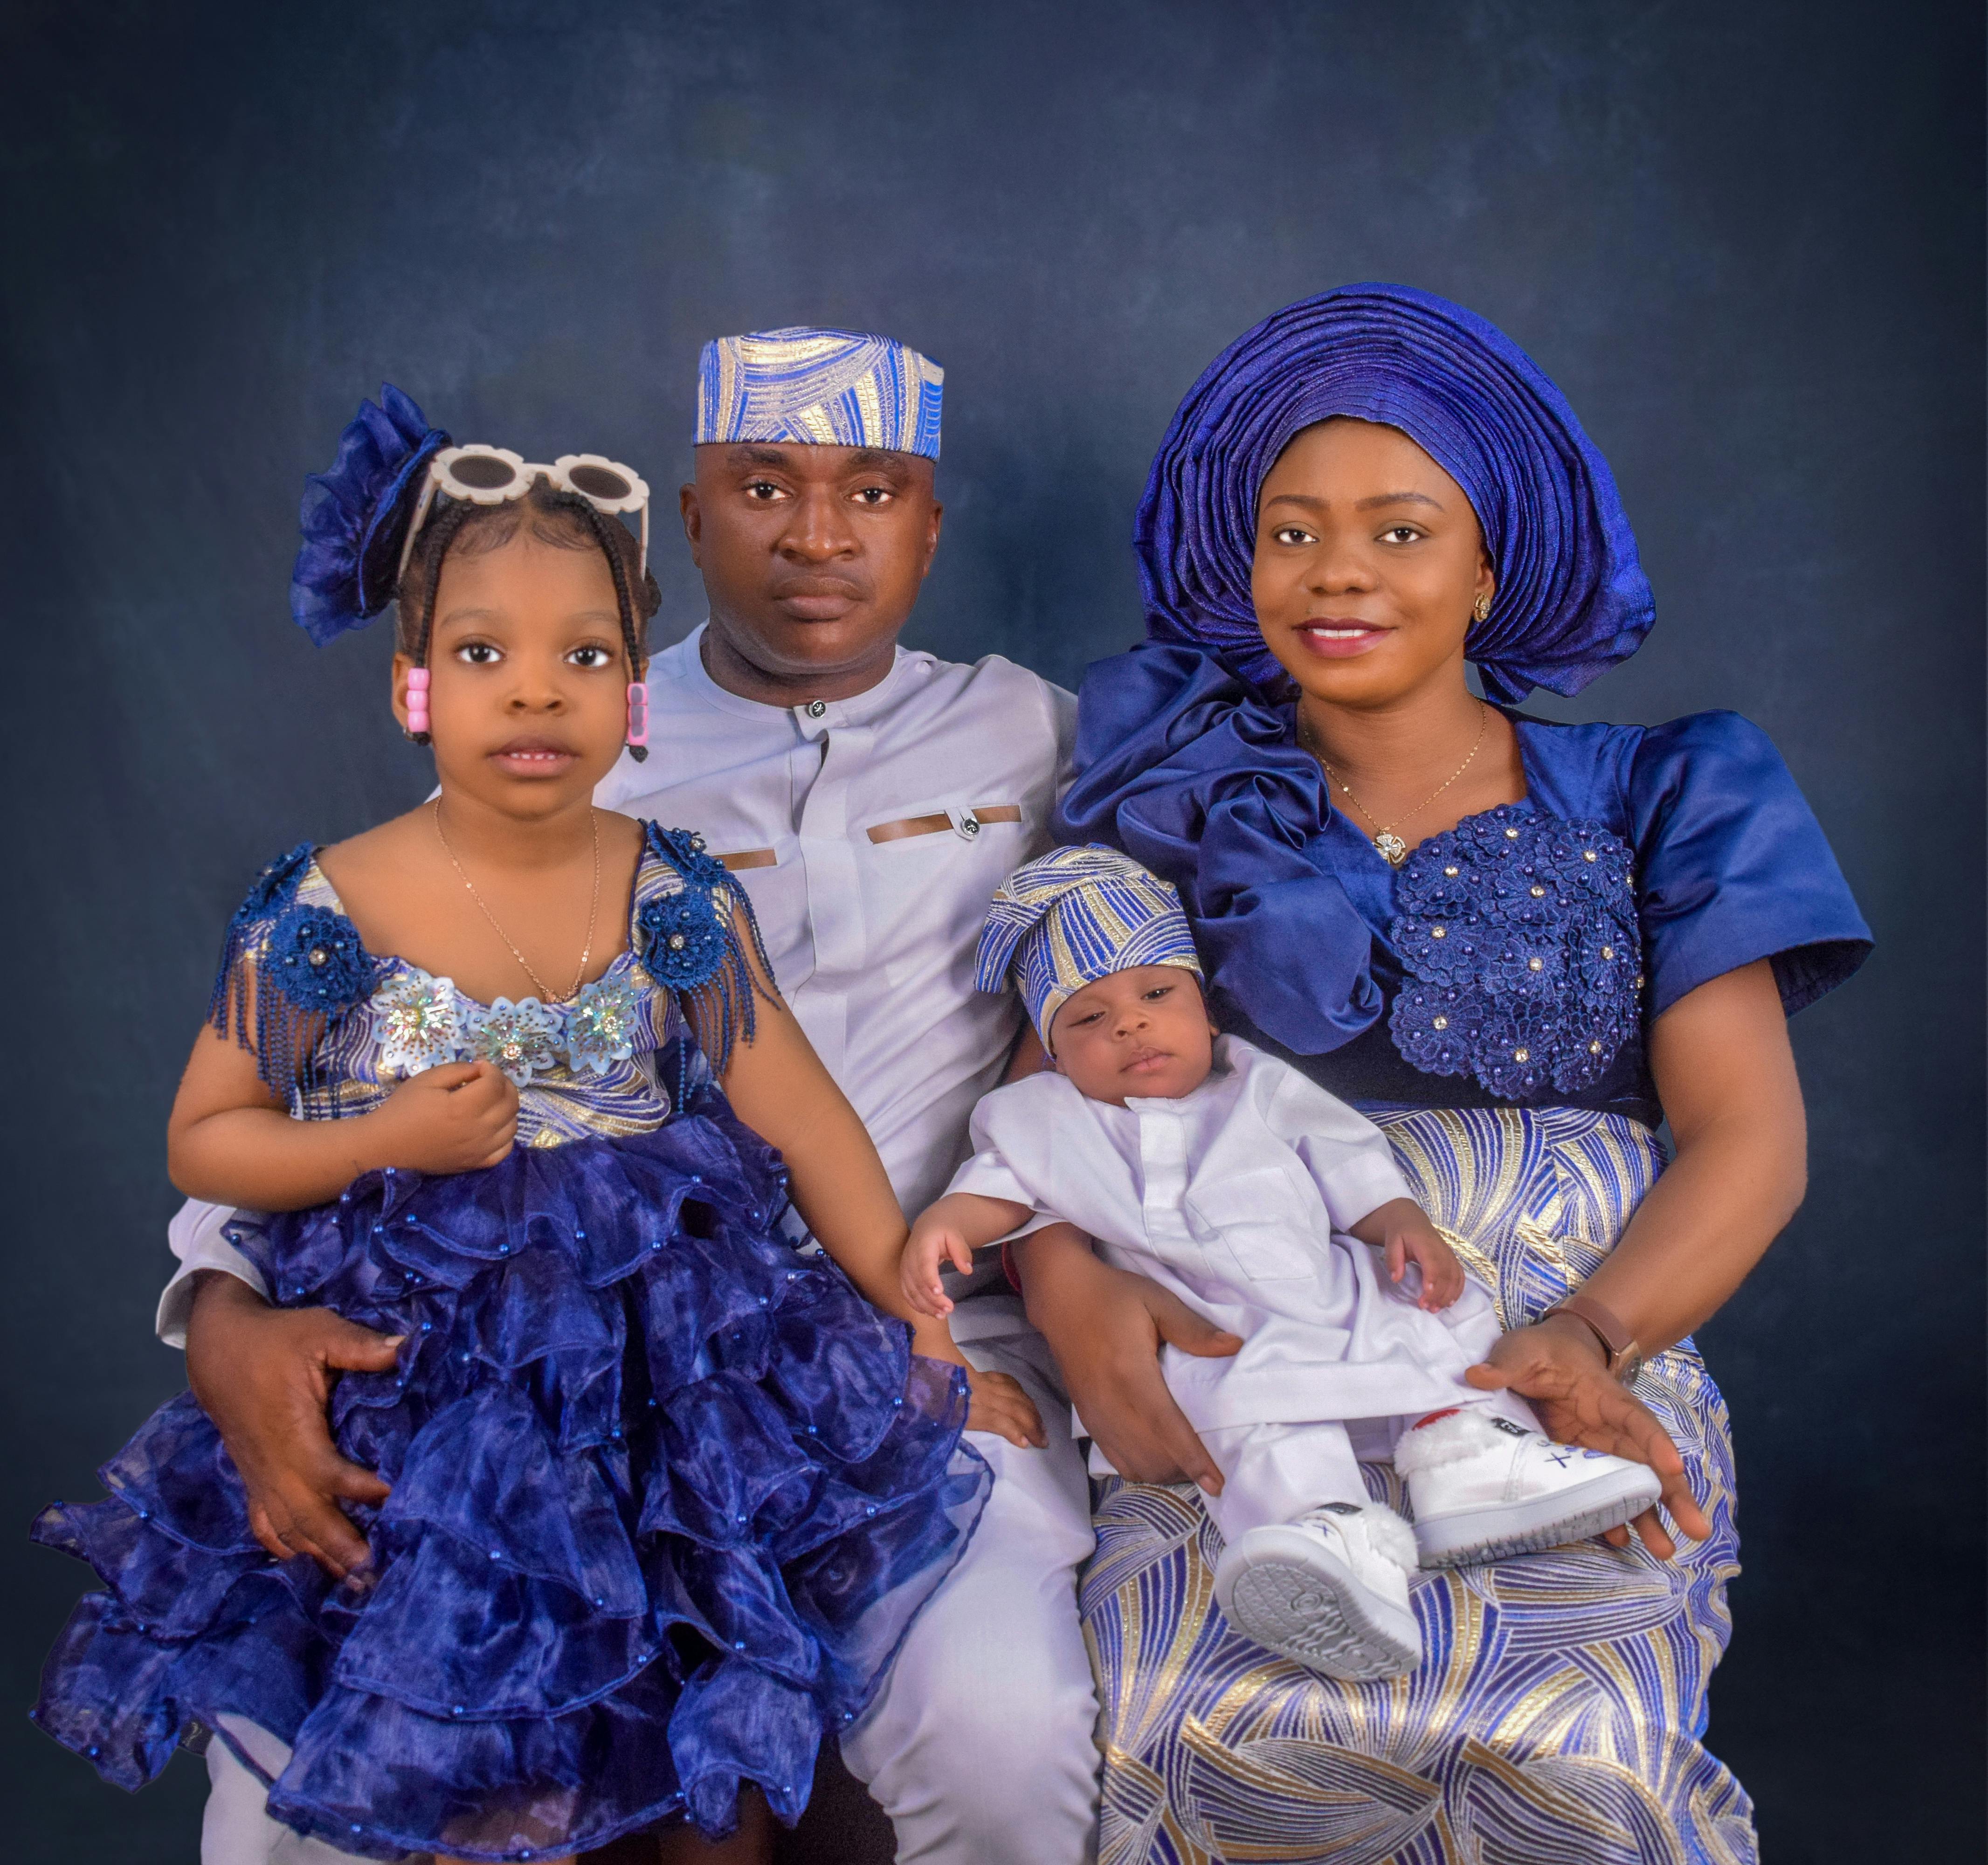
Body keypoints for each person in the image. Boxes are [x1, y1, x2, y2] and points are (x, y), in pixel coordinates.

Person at [154, 331, 1124, 1865]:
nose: (819, 534)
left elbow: (1097, 1008)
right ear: (691, 514)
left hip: (915, 1348)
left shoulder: (1044, 737)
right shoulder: (544, 762)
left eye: (872, 492)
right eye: (765, 487)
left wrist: (933, 1322)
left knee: (1003, 1741)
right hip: (551, 1377)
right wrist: (218, 1311)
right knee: (310, 1792)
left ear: (931, 525)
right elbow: (312, 1081)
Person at [1022, 283, 1872, 1860]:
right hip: (1249, 1362)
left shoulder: (1662, 789)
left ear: (1489, 568)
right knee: (1204, 1728)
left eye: (1400, 530)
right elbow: (1041, 1120)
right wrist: (1081, 1310)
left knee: (1578, 1754)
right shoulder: (1164, 797)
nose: (1336, 569)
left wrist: (1591, 1332)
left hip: (1564, 1362)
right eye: (1292, 531)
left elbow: (1750, 1138)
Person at [903, 843, 1661, 1681]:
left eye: (1157, 995)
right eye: (1088, 1017)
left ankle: (1470, 1467)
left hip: (1324, 1287)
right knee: (1261, 1429)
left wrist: (1398, 1221)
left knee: (1425, 1326)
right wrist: (947, 1224)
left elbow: (1344, 1156)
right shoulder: (1043, 1118)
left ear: (1209, 1017)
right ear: (1054, 1055)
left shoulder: (1254, 1085)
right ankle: (1328, 1548)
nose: (1129, 1023)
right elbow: (999, 1191)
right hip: (1204, 1325)